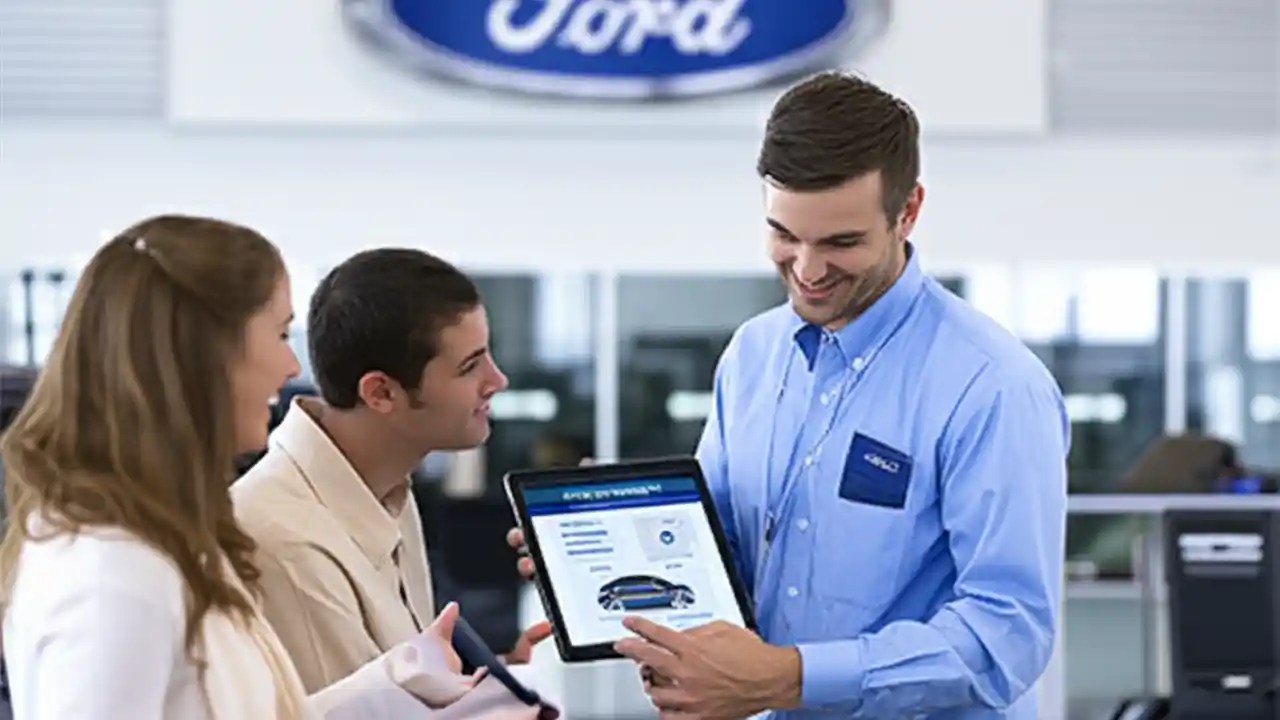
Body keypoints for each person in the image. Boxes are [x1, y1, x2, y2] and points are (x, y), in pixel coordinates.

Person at [510, 71, 1070, 719]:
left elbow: (1008, 636)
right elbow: (723, 557)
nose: (807, 270)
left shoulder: (995, 387)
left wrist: (793, 676)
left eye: (841, 242)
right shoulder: (753, 355)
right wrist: (607, 547)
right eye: (785, 235)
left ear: (908, 211)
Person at [0, 216, 544, 720]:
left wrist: (408, 682)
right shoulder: (112, 573)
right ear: (207, 358)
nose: (291, 367)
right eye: (281, 334)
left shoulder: (165, 537)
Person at [232, 248, 551, 694]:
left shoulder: (386, 488)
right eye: (469, 366)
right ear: (381, 393)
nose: (497, 380)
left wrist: (479, 682)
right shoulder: (283, 540)